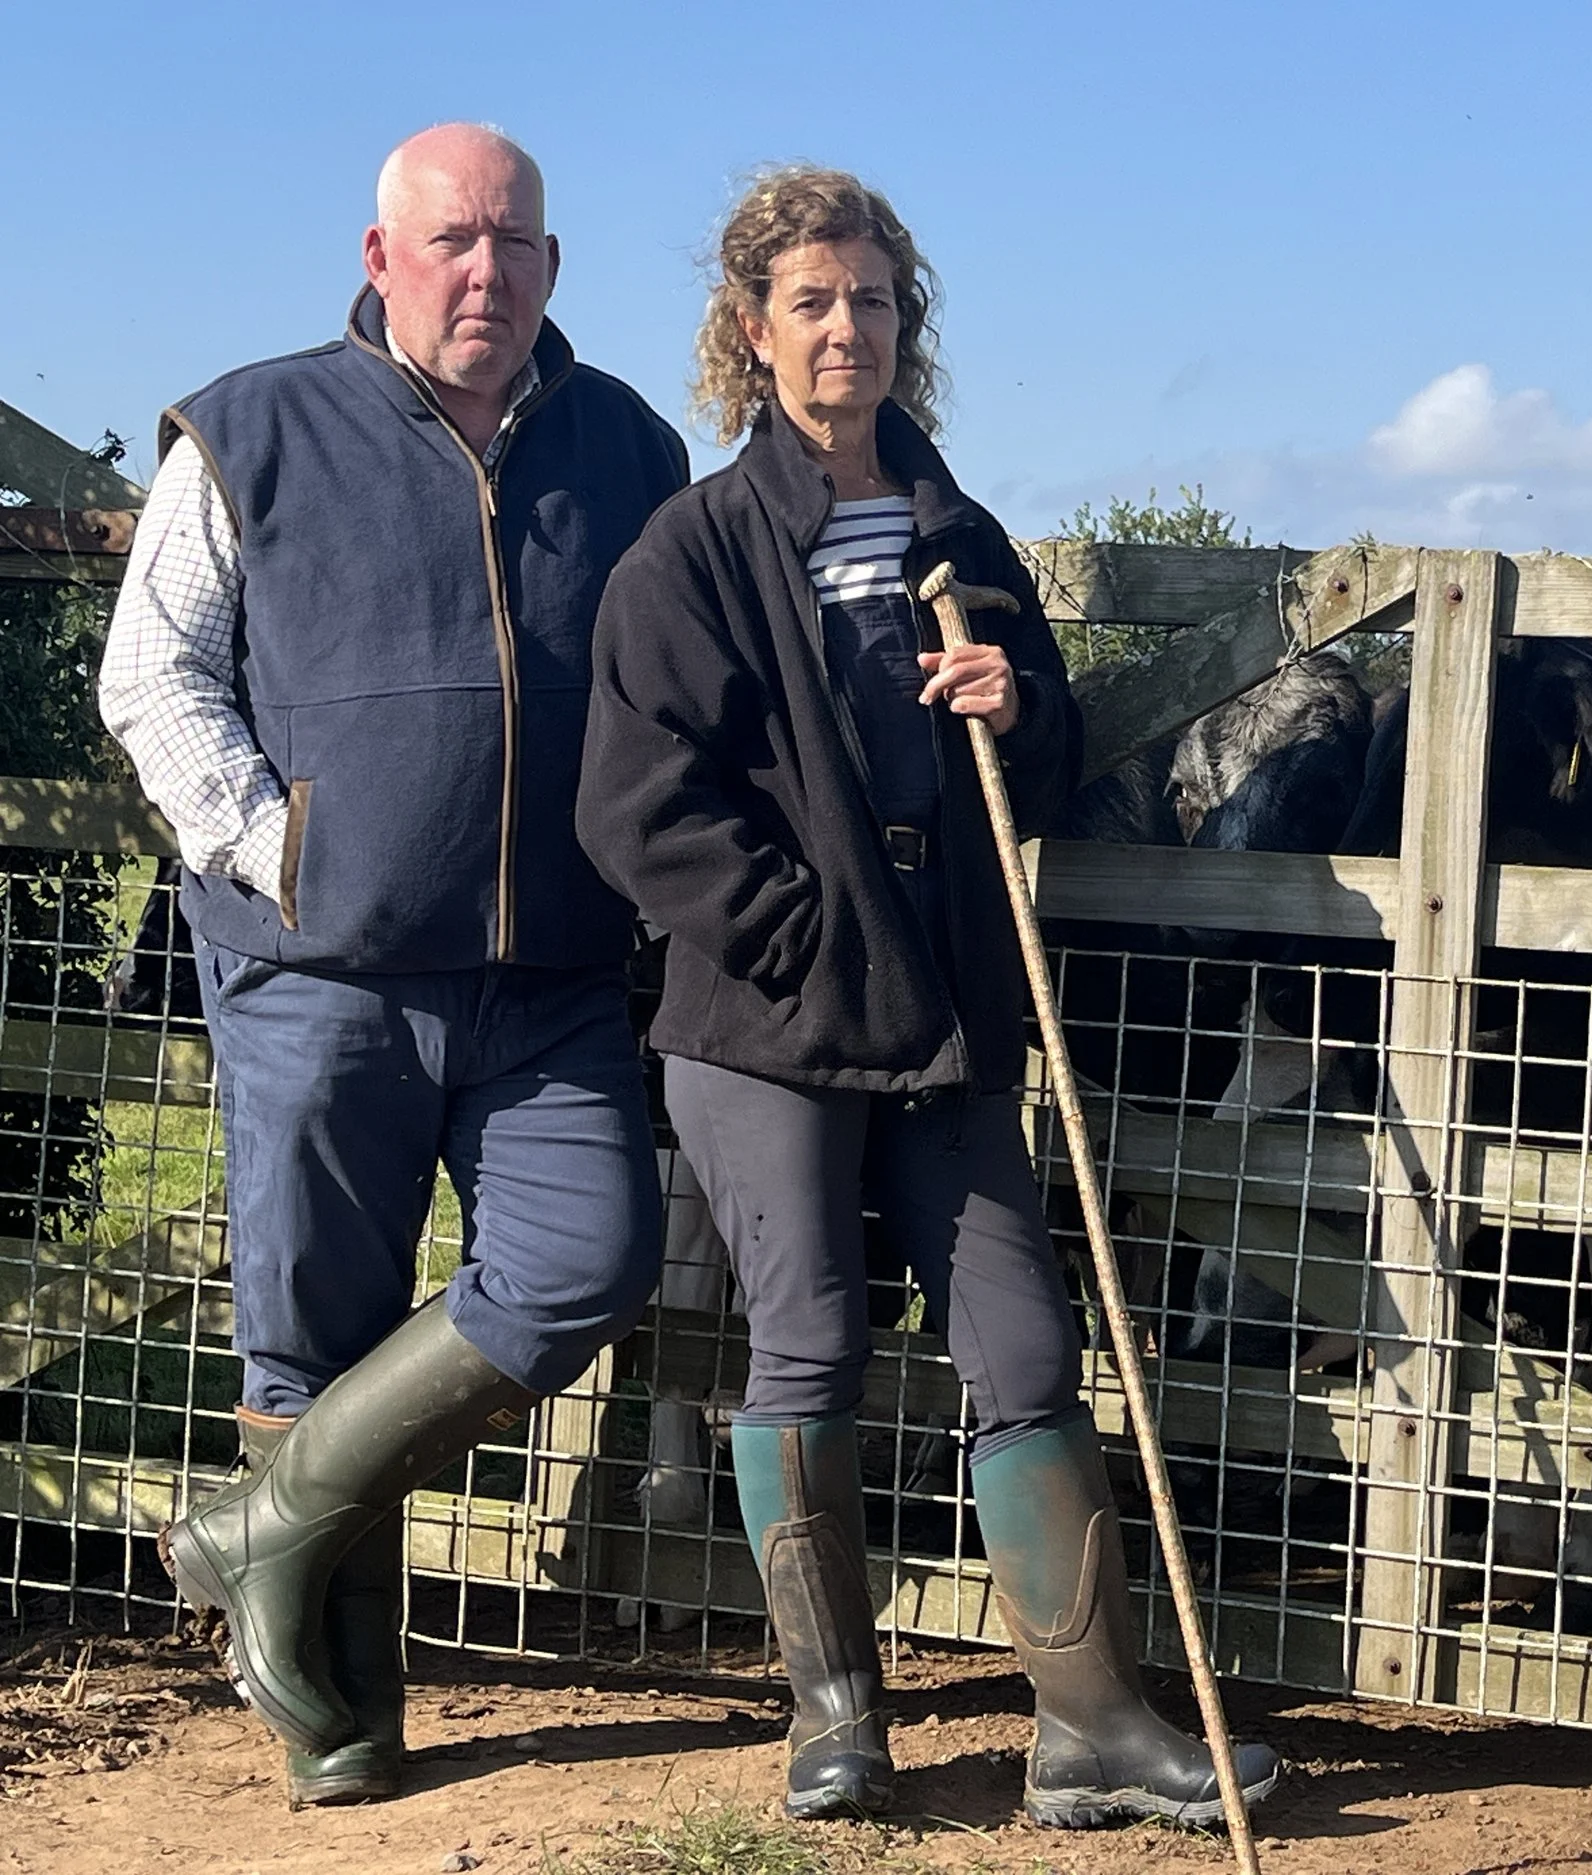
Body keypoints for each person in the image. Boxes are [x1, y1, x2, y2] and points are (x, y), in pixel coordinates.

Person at [576, 166, 1283, 1830]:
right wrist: (796, 933)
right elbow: (638, 805)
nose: (849, 331)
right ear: (752, 334)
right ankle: (837, 1720)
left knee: (1025, 1346)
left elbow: (1049, 758)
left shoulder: (959, 538)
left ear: (909, 326)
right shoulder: (687, 556)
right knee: (806, 1344)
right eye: (813, 303)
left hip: (951, 1009)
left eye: (875, 302)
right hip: (768, 1022)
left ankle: (1092, 1720)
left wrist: (1017, 692)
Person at [99, 124, 688, 1806]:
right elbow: (156, 676)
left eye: (514, 242)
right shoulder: (252, 427)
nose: (483, 270)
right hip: (321, 978)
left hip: (553, 980)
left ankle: (251, 1540)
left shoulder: (629, 445)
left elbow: (691, 672)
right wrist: (273, 846)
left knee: (591, 1256)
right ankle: (343, 1715)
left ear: (554, 266)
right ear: (381, 258)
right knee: (312, 1334)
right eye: (450, 240)